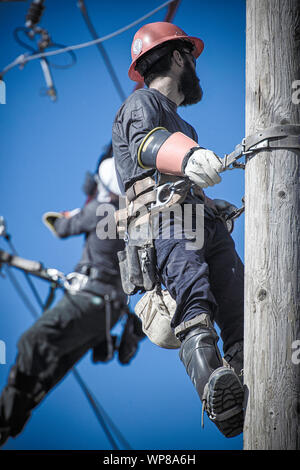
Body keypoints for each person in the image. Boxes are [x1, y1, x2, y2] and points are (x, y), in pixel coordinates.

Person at [112, 22, 244, 438]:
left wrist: (208, 203)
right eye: (192, 58)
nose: (195, 68)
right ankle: (214, 386)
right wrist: (188, 159)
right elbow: (146, 145)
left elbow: (176, 166)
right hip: (165, 221)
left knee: (240, 305)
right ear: (178, 56)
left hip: (198, 219)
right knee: (193, 292)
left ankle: (244, 376)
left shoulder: (186, 129)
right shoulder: (142, 102)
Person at [0, 157, 145, 447]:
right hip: (106, 315)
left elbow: (61, 227)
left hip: (89, 299)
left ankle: (6, 420)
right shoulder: (134, 218)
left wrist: (74, 212)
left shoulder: (100, 210)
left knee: (33, 342)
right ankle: (7, 425)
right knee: (50, 367)